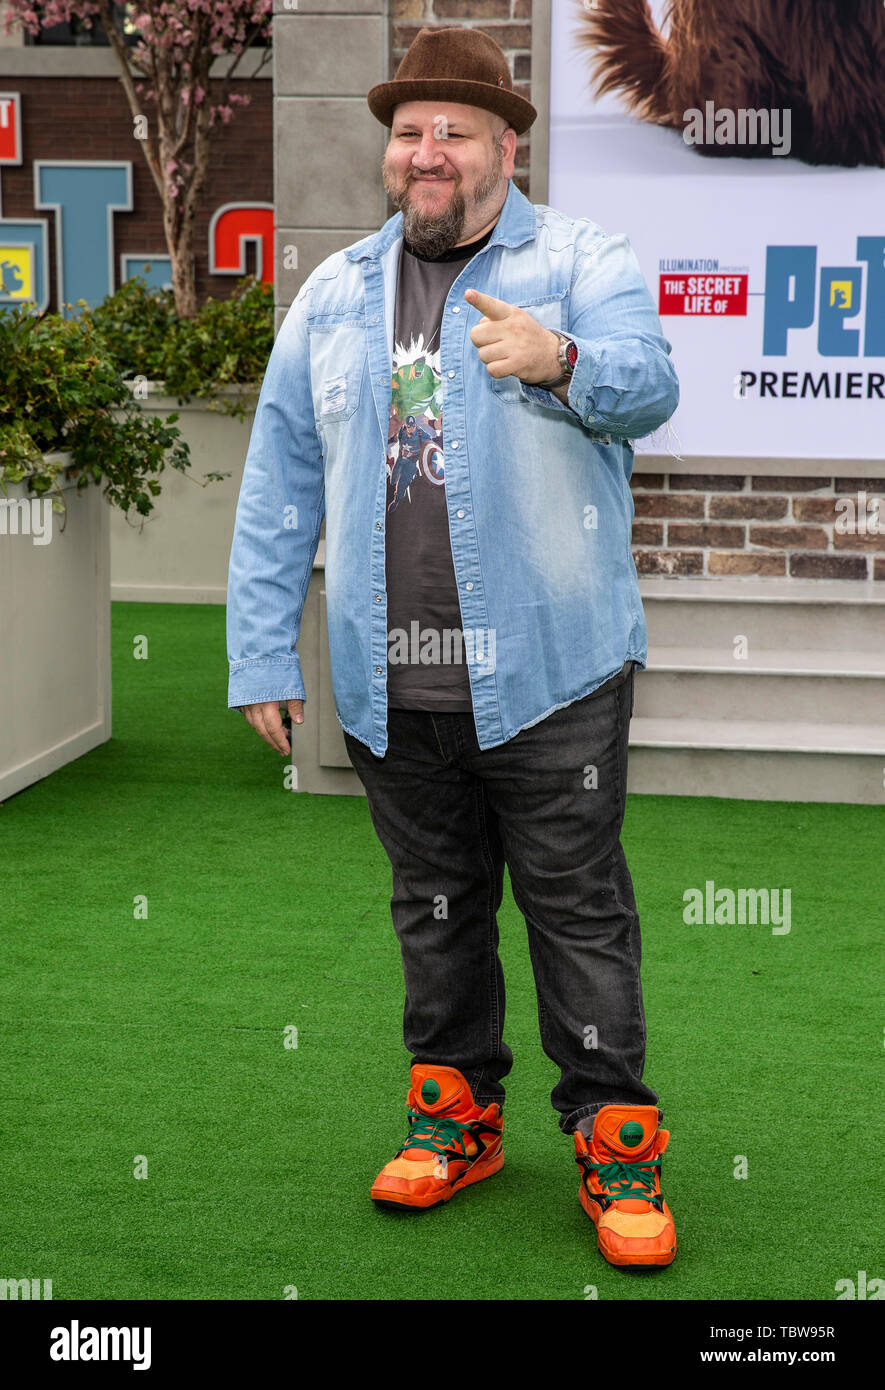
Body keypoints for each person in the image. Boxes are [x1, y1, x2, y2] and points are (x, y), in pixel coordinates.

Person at [227, 25, 680, 1269]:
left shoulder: (582, 258)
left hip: (553, 665)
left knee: (576, 910)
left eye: (455, 131)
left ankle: (615, 1141)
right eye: (410, 131)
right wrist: (264, 647)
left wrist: (562, 359)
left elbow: (650, 381)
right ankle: (457, 1117)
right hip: (391, 675)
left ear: (505, 147)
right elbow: (280, 476)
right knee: (433, 911)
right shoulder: (333, 293)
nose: (428, 152)